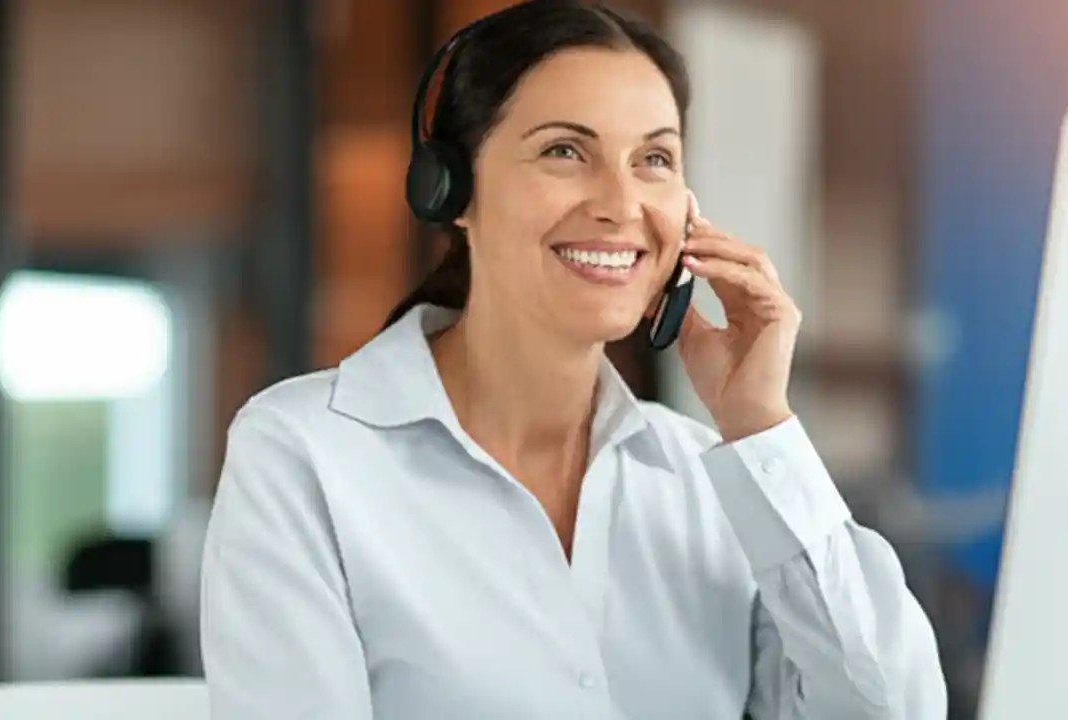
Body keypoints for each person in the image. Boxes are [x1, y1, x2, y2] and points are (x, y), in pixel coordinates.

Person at [199, 1, 947, 718]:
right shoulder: (303, 454)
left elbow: (891, 708)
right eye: (565, 150)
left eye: (654, 158)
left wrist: (761, 428)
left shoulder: (713, 479)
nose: (622, 203)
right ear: (451, 188)